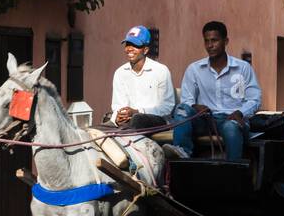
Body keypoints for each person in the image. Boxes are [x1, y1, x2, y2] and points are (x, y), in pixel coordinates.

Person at [171, 21, 262, 161]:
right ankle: (182, 155)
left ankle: (234, 172)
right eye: (206, 41)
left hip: (232, 119)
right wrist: (196, 106)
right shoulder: (194, 69)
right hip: (204, 120)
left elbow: (254, 99)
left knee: (231, 128)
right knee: (182, 109)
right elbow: (187, 100)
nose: (210, 45)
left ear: (226, 41)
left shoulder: (243, 68)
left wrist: (240, 112)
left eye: (214, 40)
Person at [110, 25, 175, 131]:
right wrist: (118, 117)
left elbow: (167, 107)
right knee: (97, 130)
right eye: (127, 45)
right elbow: (118, 105)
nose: (129, 49)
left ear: (145, 50)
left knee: (138, 119)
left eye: (135, 45)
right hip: (129, 122)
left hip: (157, 121)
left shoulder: (161, 71)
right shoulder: (120, 73)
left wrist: (138, 111)